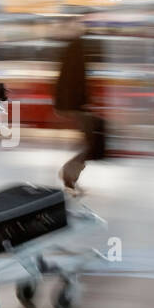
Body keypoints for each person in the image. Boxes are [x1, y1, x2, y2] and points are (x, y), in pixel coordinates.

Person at [52, 16, 105, 191]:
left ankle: (70, 174)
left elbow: (65, 79)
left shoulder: (73, 47)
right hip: (75, 105)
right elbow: (74, 80)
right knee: (90, 144)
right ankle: (68, 173)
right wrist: (83, 103)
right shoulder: (76, 47)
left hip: (72, 104)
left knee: (87, 142)